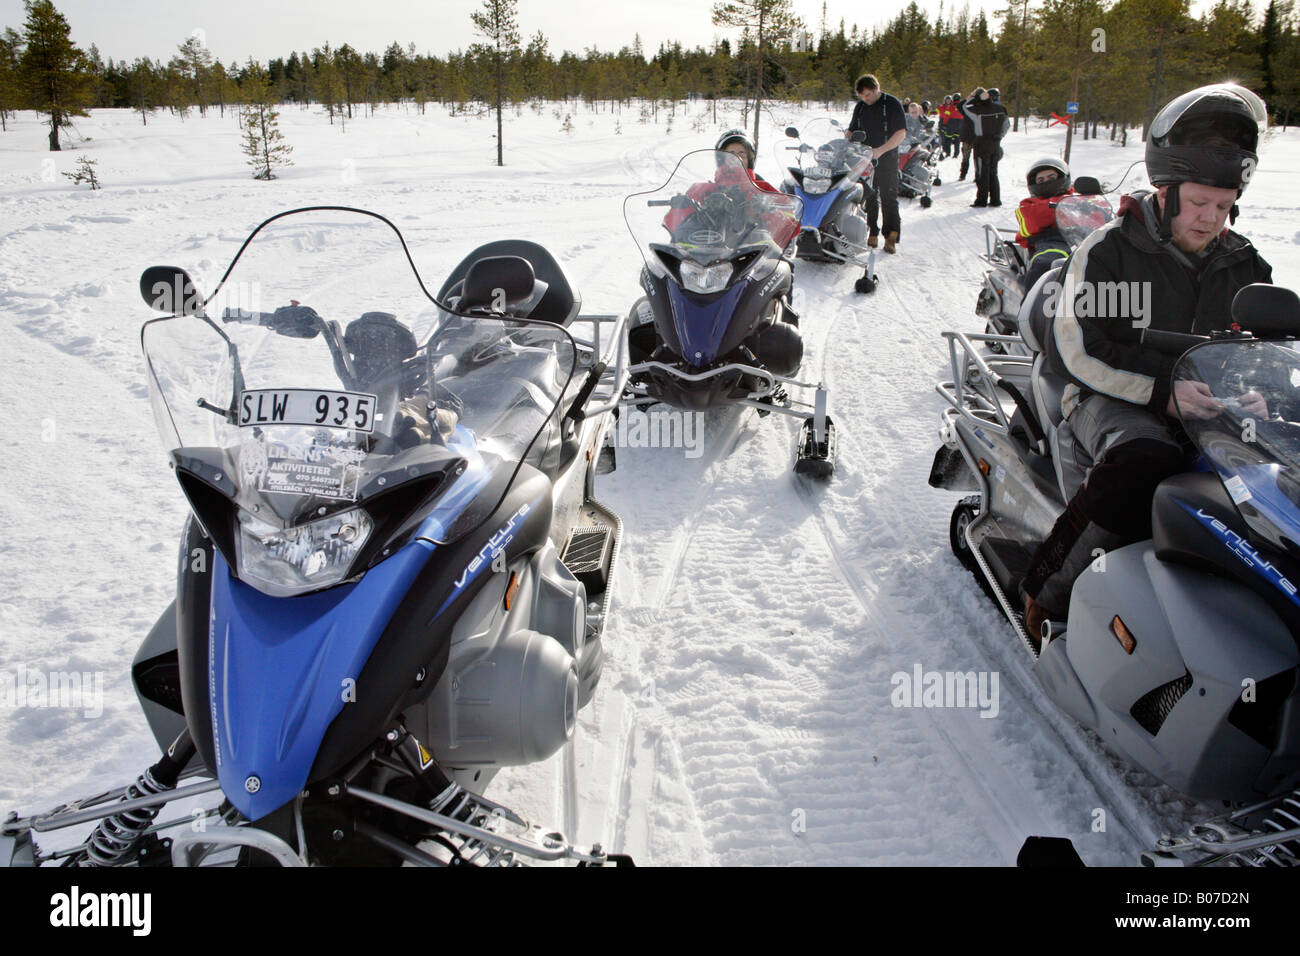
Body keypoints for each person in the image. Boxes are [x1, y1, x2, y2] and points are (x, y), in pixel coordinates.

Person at [1020, 83, 1273, 642]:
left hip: (1208, 404)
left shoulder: (1245, 263)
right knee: (1144, 459)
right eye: (1200, 204)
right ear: (1166, 190)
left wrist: (1258, 391)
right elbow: (1082, 349)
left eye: (1224, 207)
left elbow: (1257, 351)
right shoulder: (1112, 251)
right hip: (1105, 396)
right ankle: (1047, 586)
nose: (1211, 220)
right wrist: (1163, 393)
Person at [847, 73, 907, 254]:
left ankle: (891, 236)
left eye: (868, 95)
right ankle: (871, 231)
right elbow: (851, 130)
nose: (865, 99)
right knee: (869, 195)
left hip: (887, 154)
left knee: (889, 196)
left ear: (875, 89)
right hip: (864, 157)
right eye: (862, 97)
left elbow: (901, 133)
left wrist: (881, 150)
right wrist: (847, 142)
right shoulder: (861, 106)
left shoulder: (892, 104)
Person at [1015, 157, 1075, 288]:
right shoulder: (1028, 204)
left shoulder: (1079, 198)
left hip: (1083, 240)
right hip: (1052, 244)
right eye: (1040, 180)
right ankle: (1030, 307)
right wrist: (1061, 207)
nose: (1046, 182)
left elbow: (1100, 216)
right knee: (1045, 264)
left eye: (1051, 178)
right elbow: (1033, 220)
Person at [963, 87, 1008, 206]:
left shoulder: (977, 110)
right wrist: (999, 136)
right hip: (996, 143)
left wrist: (972, 96)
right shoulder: (1001, 109)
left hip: (982, 144)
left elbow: (964, 107)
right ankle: (995, 199)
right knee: (993, 172)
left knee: (982, 172)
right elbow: (1006, 125)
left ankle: (981, 200)